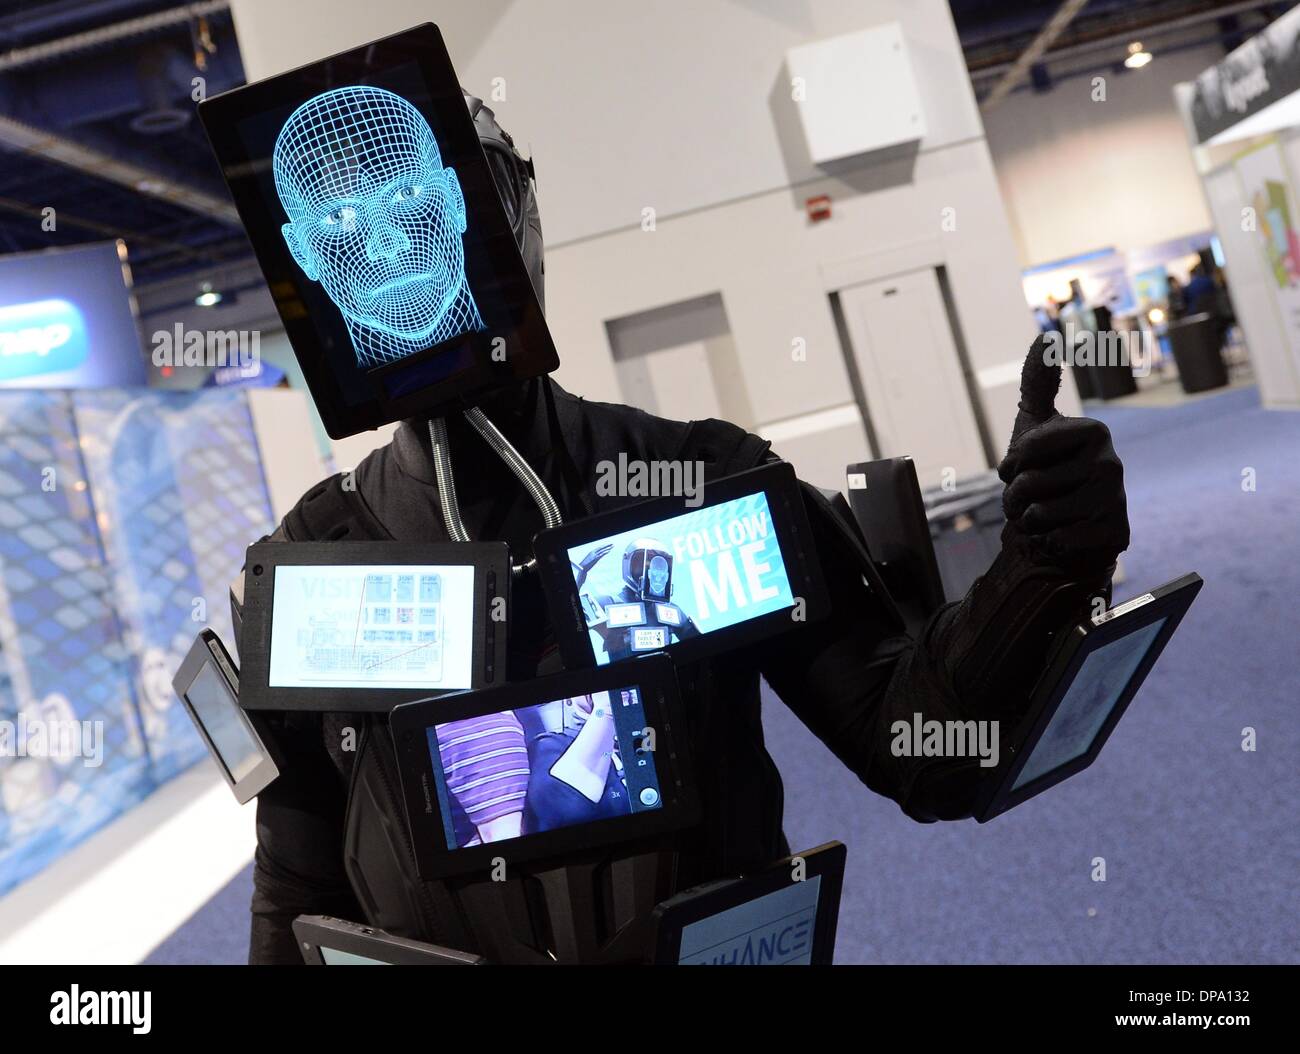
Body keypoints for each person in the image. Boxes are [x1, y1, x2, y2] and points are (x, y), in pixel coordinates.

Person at [237, 93, 1129, 964]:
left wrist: (1043, 563)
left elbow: (924, 750)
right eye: (346, 215)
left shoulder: (708, 483)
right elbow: (297, 885)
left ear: (497, 216)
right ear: (307, 257)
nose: (388, 241)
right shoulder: (316, 560)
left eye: (407, 197)